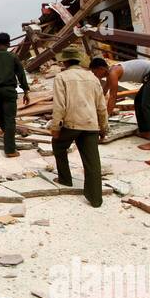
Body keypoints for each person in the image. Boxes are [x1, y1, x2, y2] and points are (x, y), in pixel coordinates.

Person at [50, 47, 107, 207]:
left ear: (65, 61)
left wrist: (56, 127)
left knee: (58, 146)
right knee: (92, 161)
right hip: (91, 124)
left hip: (71, 123)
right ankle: (95, 198)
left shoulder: (61, 77)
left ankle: (65, 179)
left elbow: (59, 105)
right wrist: (103, 127)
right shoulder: (92, 78)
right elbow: (101, 105)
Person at [89, 55, 150, 151]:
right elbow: (104, 91)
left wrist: (105, 119)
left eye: (95, 72)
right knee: (138, 101)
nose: (95, 75)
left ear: (101, 69)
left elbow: (113, 97)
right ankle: (145, 132)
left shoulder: (113, 73)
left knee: (148, 105)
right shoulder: (111, 72)